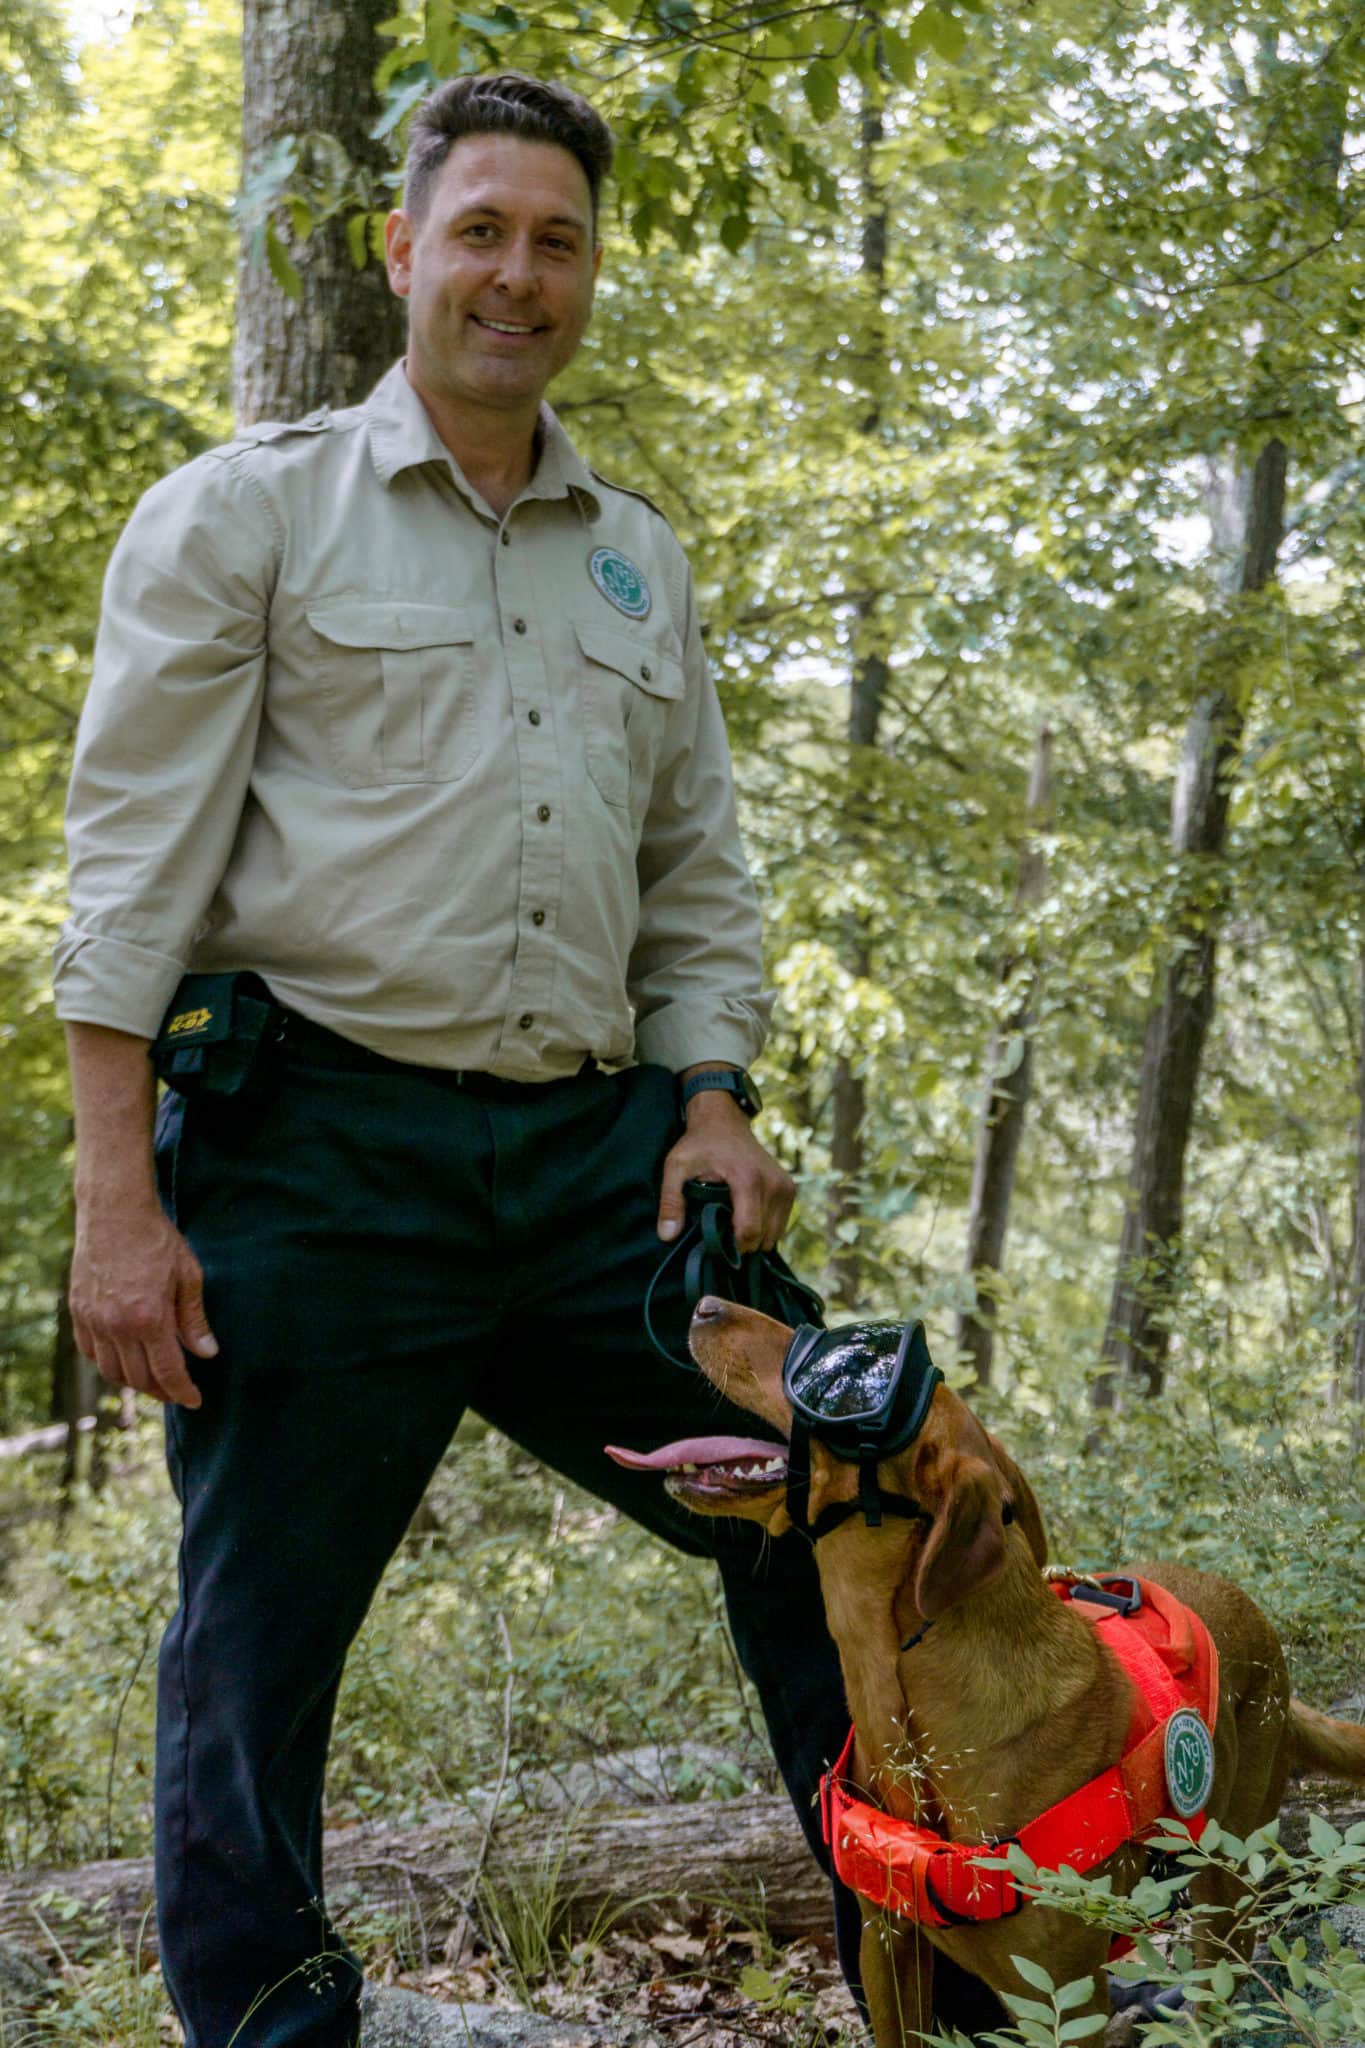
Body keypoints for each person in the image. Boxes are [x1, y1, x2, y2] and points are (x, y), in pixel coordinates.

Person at [55, 72, 1002, 2048]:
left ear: (587, 274)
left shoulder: (631, 563)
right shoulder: (249, 515)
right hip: (317, 1154)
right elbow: (132, 870)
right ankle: (273, 2020)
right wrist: (117, 1198)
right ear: (402, 252)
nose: (515, 273)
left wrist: (714, 1096)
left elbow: (691, 869)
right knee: (251, 1645)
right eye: (477, 231)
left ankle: (936, 1970)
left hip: (597, 1177)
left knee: (841, 1491)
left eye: (553, 240)